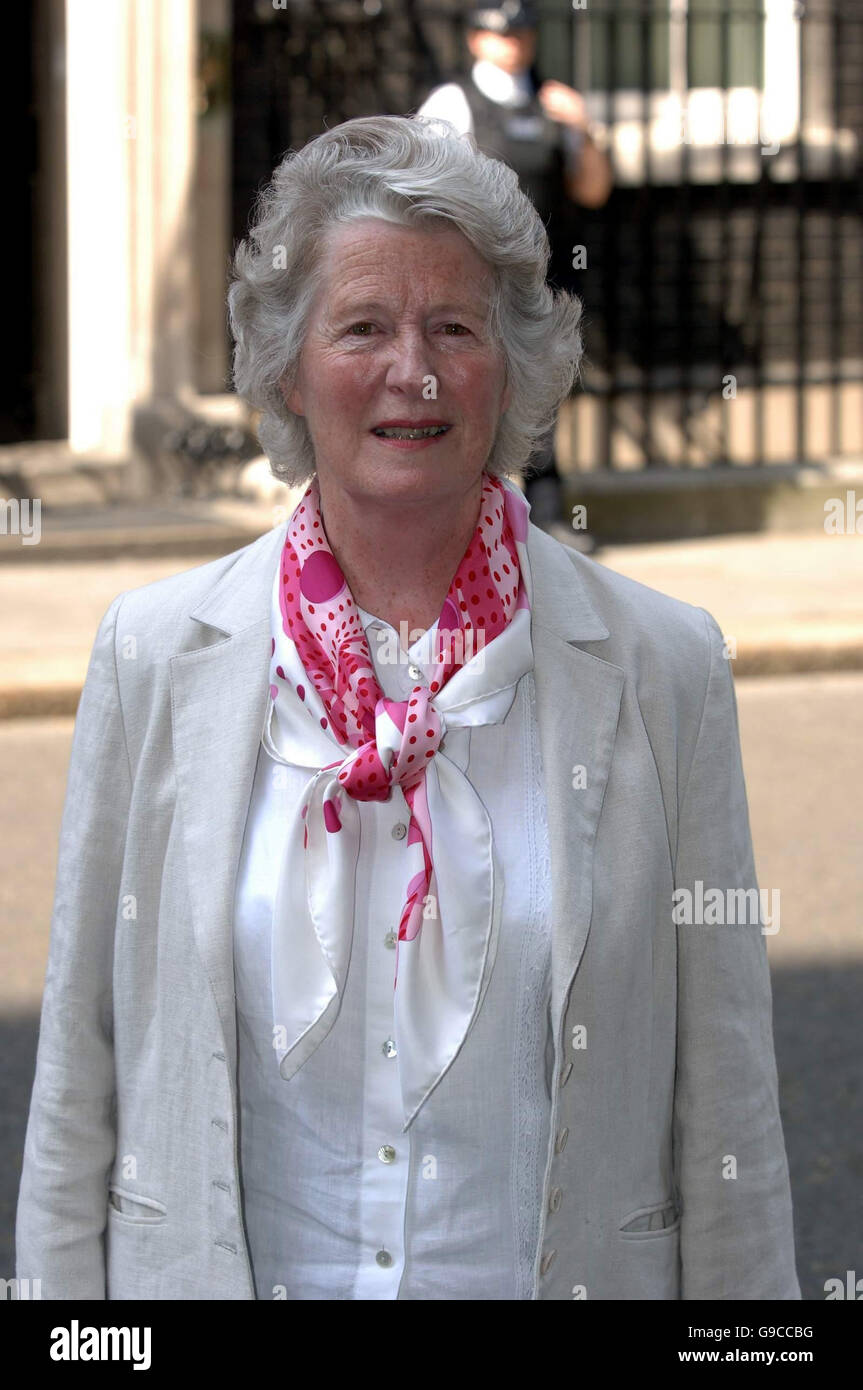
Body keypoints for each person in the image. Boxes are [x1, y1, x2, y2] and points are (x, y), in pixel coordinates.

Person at [16, 115, 799, 1301]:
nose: (413, 371)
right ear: (287, 364)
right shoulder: (157, 654)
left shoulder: (663, 665)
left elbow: (726, 1098)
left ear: (513, 363)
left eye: (453, 328)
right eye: (364, 327)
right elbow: (81, 1073)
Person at [417, 2, 612, 550]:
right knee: (467, 389)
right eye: (499, 35)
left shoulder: (554, 100)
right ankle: (462, 515)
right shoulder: (454, 103)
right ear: (477, 39)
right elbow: (423, 190)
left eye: (522, 34)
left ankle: (546, 516)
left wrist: (584, 127)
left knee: (544, 391)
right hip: (474, 280)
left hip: (545, 277)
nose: (512, 45)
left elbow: (593, 189)